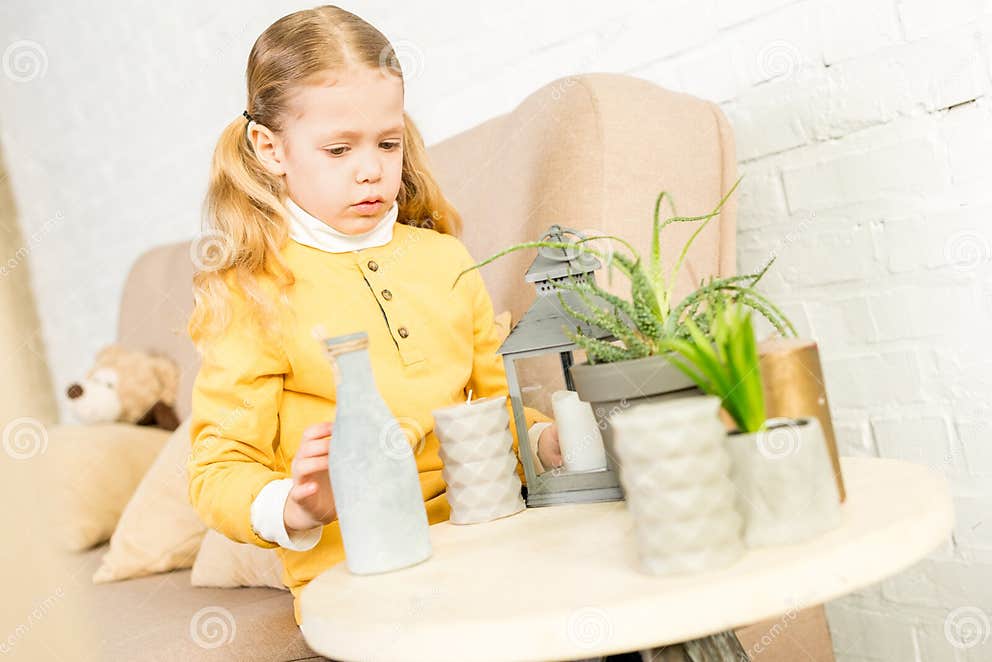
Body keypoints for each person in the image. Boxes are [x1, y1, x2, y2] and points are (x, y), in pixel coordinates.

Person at [185, 5, 563, 628]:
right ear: (269, 148)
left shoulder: (444, 257)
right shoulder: (252, 290)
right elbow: (218, 466)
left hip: (485, 536)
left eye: (388, 143)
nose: (372, 169)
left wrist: (552, 439)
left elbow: (499, 406)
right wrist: (296, 507)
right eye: (338, 149)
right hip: (352, 571)